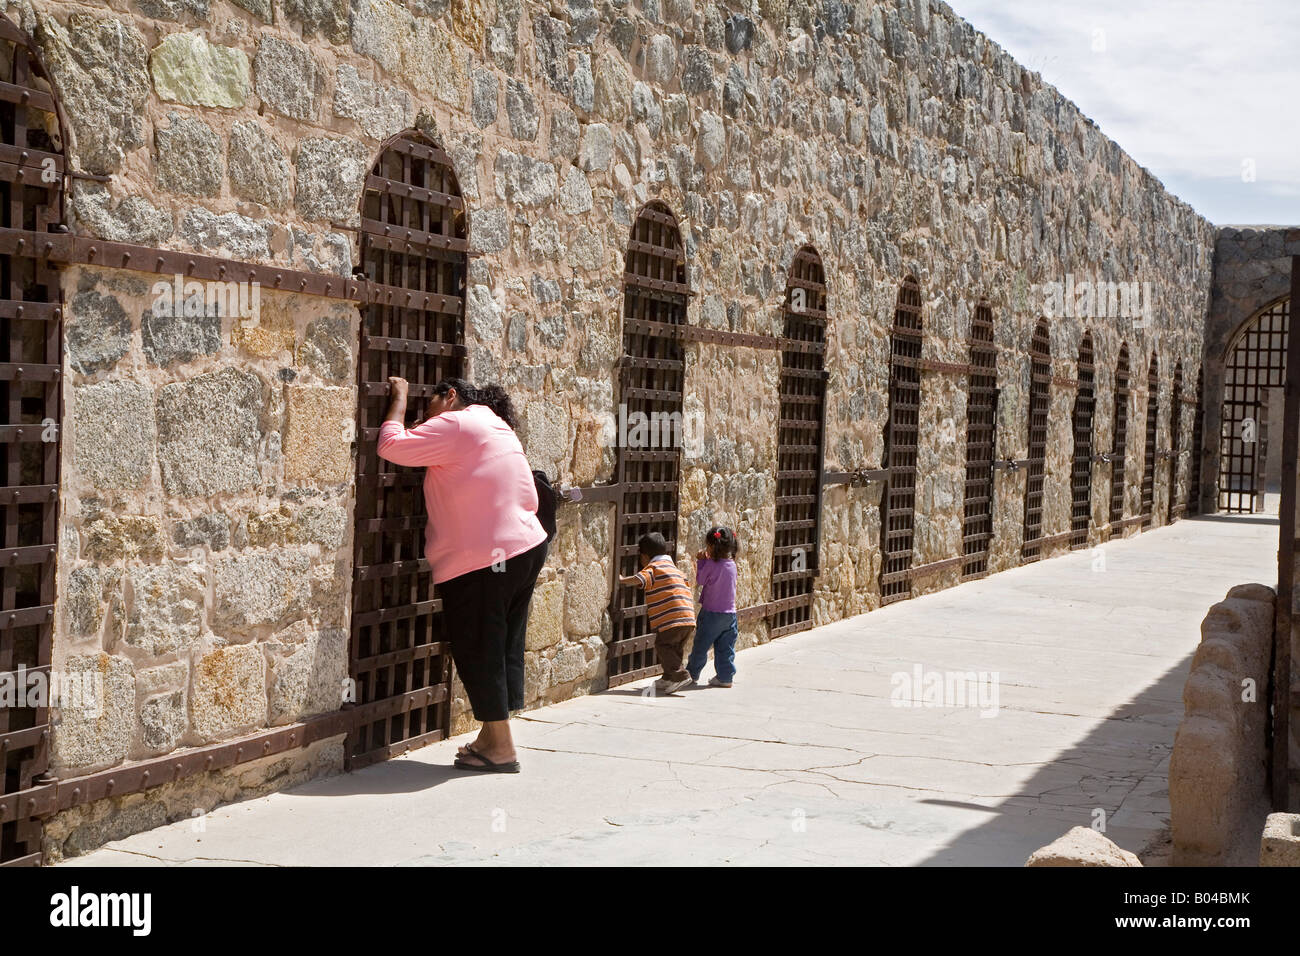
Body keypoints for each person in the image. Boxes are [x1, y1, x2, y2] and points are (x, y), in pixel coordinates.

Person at [377, 376, 548, 773]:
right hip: (525, 545)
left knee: (478, 646)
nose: (425, 416)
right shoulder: (495, 424)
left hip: (483, 558)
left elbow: (391, 446)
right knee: (503, 644)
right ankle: (491, 738)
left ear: (450, 396)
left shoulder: (456, 422)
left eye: (430, 402)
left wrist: (400, 397)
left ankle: (502, 748)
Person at [618, 532, 695, 695]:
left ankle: (680, 676)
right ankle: (668, 677)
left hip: (671, 619)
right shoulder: (676, 570)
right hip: (688, 618)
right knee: (675, 649)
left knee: (663, 645)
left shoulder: (654, 568)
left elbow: (640, 579)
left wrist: (622, 580)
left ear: (644, 556)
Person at [687, 526, 739, 688]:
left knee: (701, 645)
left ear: (712, 547)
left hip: (711, 614)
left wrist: (701, 561)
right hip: (730, 615)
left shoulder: (710, 564)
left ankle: (691, 673)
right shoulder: (732, 565)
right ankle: (725, 677)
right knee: (726, 647)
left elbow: (701, 580)